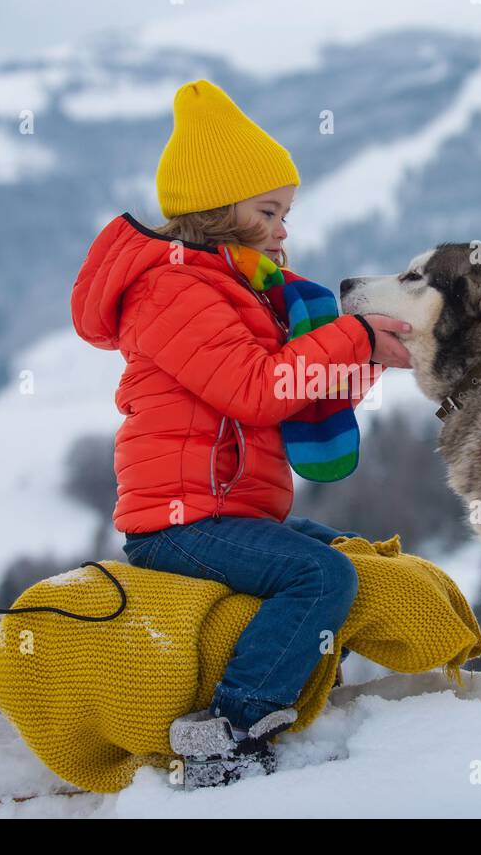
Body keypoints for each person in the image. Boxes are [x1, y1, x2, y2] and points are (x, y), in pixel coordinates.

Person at [69, 79, 411, 779]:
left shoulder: (241, 286)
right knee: (321, 577)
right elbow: (256, 389)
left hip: (232, 510)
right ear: (219, 211)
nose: (284, 228)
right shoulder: (172, 290)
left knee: (344, 556)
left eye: (285, 211)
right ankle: (228, 729)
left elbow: (293, 383)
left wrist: (366, 352)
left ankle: (318, 696)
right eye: (268, 211)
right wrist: (348, 339)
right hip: (180, 521)